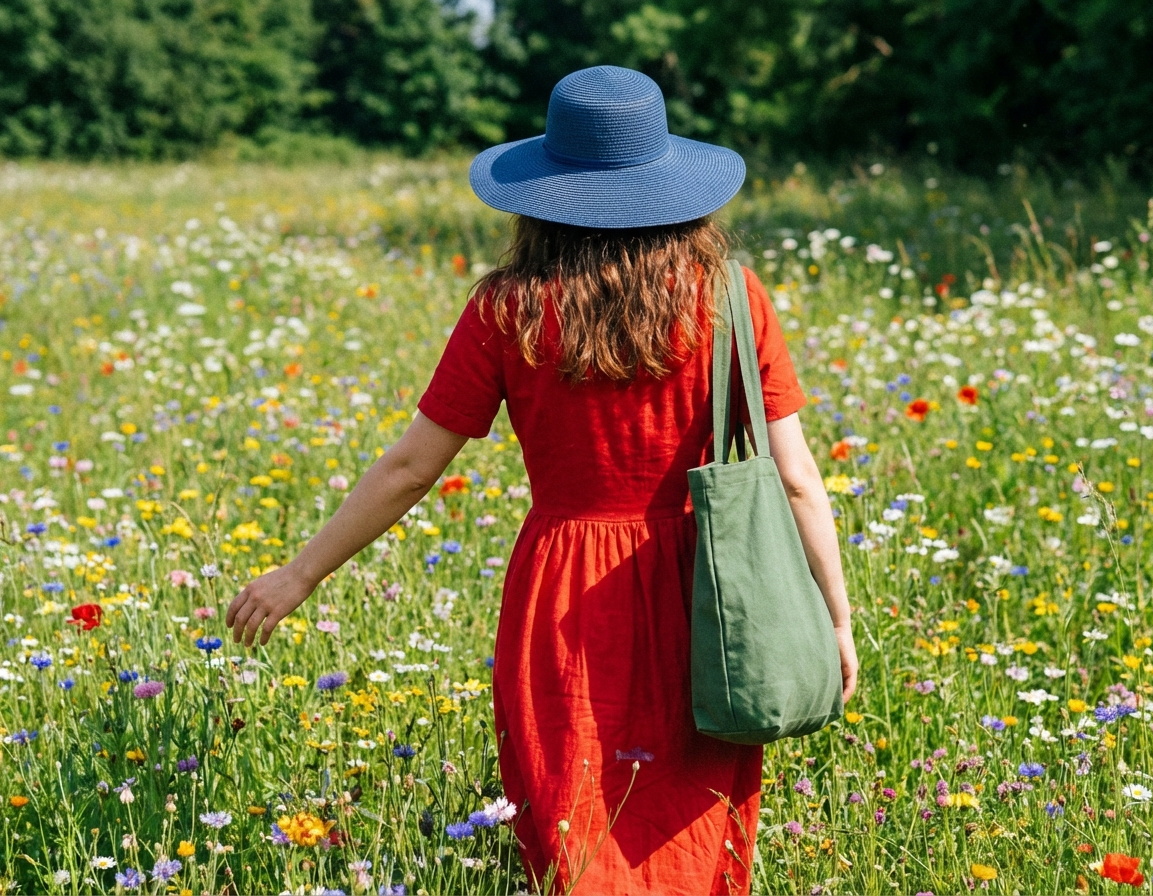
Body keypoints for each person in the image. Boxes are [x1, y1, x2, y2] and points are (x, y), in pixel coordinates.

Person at [225, 64, 858, 895]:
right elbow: (800, 479)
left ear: (544, 192)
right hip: (709, 596)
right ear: (672, 181)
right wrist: (834, 618)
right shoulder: (731, 297)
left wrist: (299, 573)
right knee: (692, 827)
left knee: (574, 822)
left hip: (562, 596)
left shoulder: (509, 309)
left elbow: (414, 467)